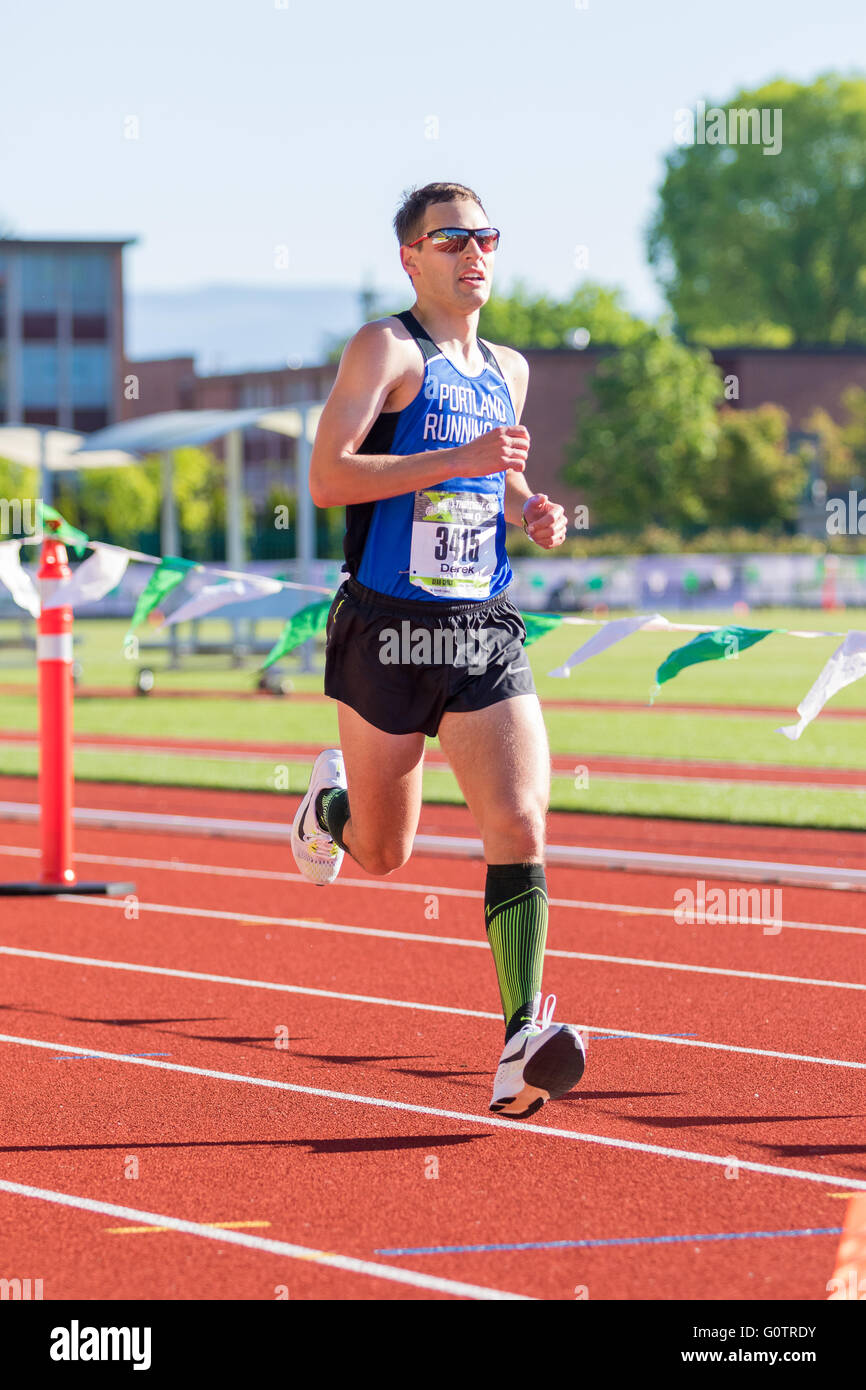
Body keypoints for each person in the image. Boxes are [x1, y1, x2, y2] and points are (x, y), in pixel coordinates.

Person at [291, 181, 585, 1118]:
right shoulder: (385, 348)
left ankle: (516, 1043)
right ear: (411, 257)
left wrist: (528, 507)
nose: (474, 252)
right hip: (387, 624)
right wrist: (455, 463)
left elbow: (494, 474)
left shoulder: (510, 366)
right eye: (450, 237)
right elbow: (329, 476)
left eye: (486, 236)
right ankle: (327, 810)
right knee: (384, 851)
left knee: (522, 822)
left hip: (482, 625)